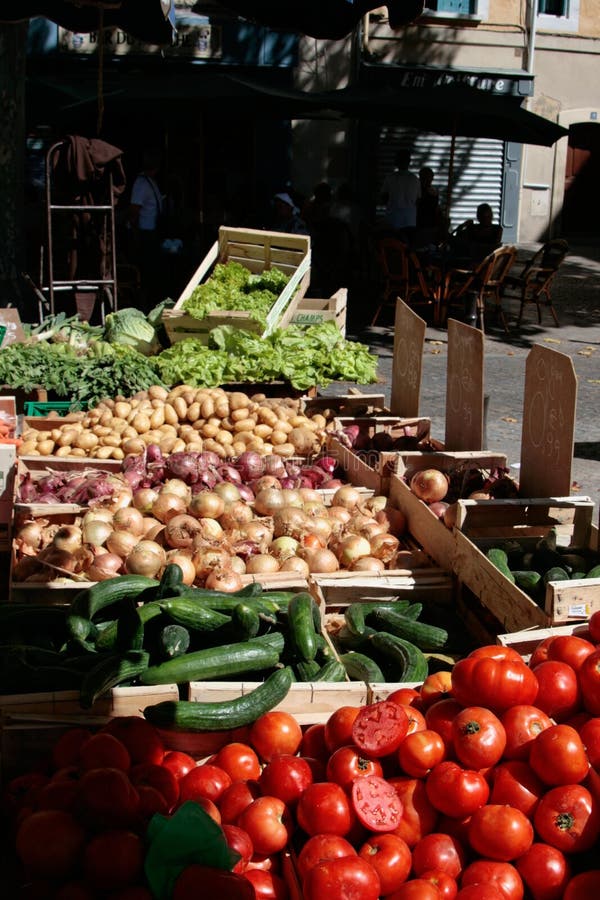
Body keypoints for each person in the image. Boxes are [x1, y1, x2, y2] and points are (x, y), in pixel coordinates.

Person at [128, 148, 165, 310]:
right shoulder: (141, 183)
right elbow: (134, 209)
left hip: (153, 231)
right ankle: (143, 303)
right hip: (144, 233)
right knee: (145, 269)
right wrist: (135, 232)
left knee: (153, 269)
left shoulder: (152, 181)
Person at [380, 149, 421, 244]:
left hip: (393, 221)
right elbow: (418, 200)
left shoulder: (390, 178)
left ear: (397, 161)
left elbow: (383, 197)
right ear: (409, 162)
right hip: (409, 221)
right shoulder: (415, 179)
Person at [416, 166, 444, 246]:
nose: (431, 180)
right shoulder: (417, 190)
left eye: (431, 178)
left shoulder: (432, 191)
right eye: (429, 177)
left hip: (430, 225)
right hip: (420, 225)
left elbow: (436, 208)